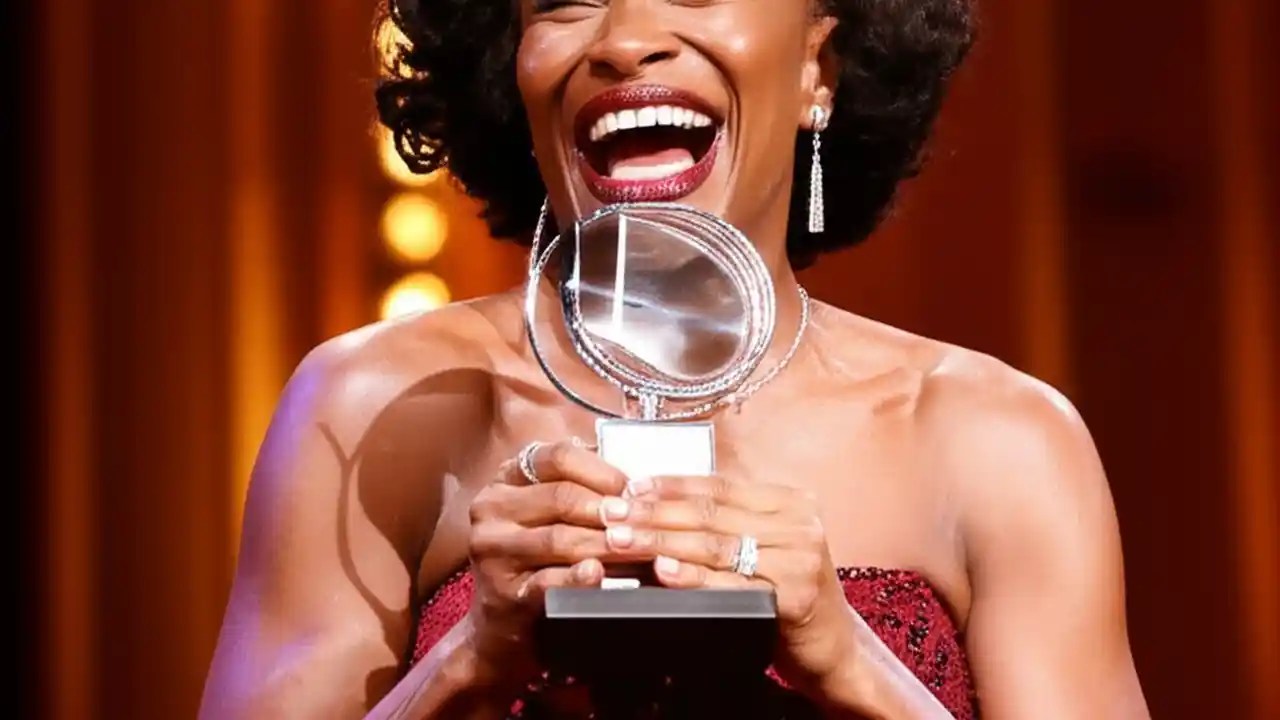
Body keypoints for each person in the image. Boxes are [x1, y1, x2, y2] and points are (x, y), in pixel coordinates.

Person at [199, 0, 1151, 718]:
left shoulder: (996, 436)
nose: (624, 37)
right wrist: (464, 668)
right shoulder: (381, 405)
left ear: (821, 61)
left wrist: (852, 663)